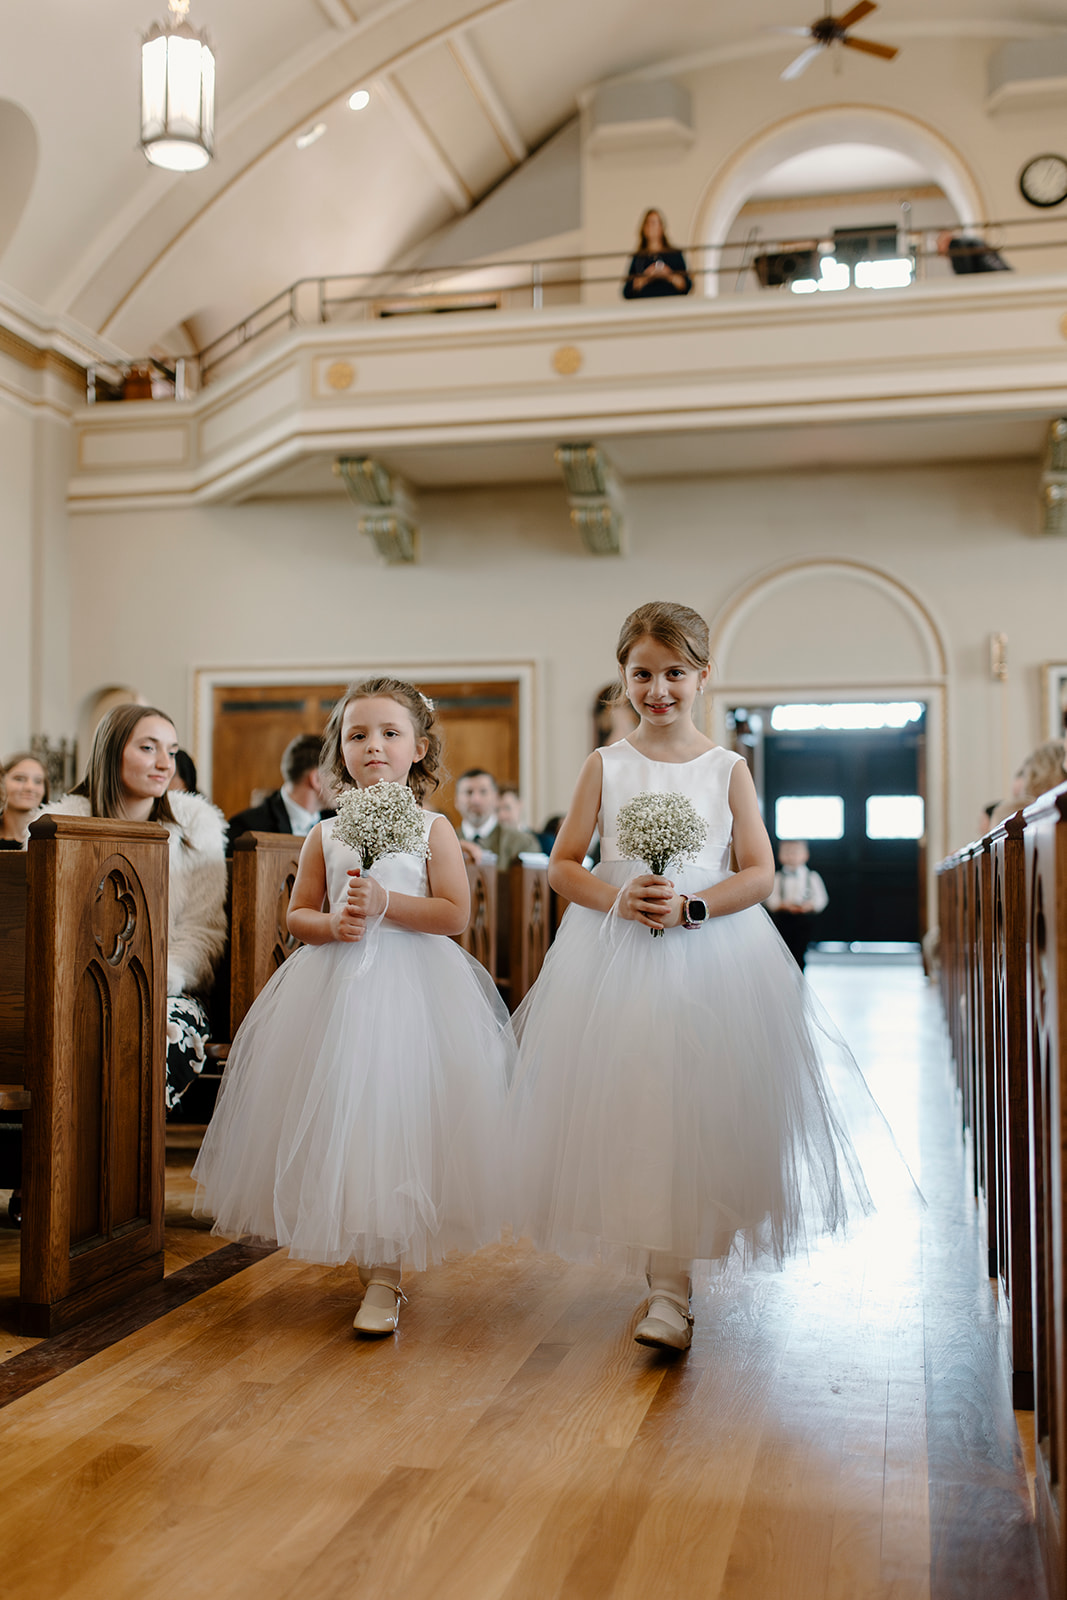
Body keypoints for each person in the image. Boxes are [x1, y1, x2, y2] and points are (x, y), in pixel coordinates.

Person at [509, 601, 869, 1352]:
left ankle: (676, 1278)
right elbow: (563, 864)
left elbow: (762, 873)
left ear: (703, 676)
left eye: (674, 672)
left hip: (710, 961)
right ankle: (663, 1290)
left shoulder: (725, 768)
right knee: (635, 1101)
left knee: (695, 1101)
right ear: (623, 678)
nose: (658, 688)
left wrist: (693, 906)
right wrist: (619, 898)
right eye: (642, 673)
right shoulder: (603, 765)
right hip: (613, 959)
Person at [192, 678, 513, 1337]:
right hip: (336, 991)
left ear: (419, 749)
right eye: (358, 734)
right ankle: (373, 1265)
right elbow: (297, 915)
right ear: (338, 750)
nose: (374, 746)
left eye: (390, 734)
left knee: (399, 1114)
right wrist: (333, 922)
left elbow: (454, 913)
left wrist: (387, 906)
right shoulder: (325, 832)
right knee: (350, 1115)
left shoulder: (433, 828)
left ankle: (386, 1275)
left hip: (415, 992)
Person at [42, 705, 227, 1115]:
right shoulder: (58, 826)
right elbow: (43, 932)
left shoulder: (196, 827)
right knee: (76, 1034)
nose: (165, 763)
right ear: (111, 752)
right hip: (73, 991)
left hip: (170, 991)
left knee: (150, 1036)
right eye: (148, 748)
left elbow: (202, 933)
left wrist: (153, 986)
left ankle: (126, 1173)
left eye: (172, 750)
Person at [227, 732, 331, 850]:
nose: (345, 783)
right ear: (316, 779)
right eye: (337, 774)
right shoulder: (247, 828)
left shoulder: (338, 821)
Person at [455, 768, 540, 868]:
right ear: (456, 801)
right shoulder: (448, 842)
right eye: (469, 792)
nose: (476, 800)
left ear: (496, 798)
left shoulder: (522, 842)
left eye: (483, 792)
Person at [767, 839, 828, 971]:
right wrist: (783, 905)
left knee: (800, 948)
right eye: (787, 852)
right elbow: (771, 899)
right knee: (783, 948)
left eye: (795, 852)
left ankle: (800, 974)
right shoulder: (777, 877)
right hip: (783, 918)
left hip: (803, 920)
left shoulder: (811, 876)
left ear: (805, 855)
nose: (791, 856)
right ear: (780, 856)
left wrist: (809, 905)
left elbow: (821, 899)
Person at [622, 209, 692, 300]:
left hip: (670, 303)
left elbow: (686, 286)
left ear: (662, 227)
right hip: (646, 305)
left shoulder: (674, 254)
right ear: (644, 228)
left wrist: (668, 274)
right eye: (648, 223)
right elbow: (627, 291)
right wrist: (646, 276)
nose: (651, 227)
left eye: (654, 223)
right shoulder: (639, 258)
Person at [0, 751, 49, 848]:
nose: (30, 787)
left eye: (38, 781)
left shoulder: (53, 840)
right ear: (1, 782)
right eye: (19, 779)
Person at [936, 230, 1010, 275]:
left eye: (939, 245)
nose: (939, 251)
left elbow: (964, 273)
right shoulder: (967, 240)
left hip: (991, 275)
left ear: (945, 240)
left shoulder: (955, 245)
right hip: (1001, 272)